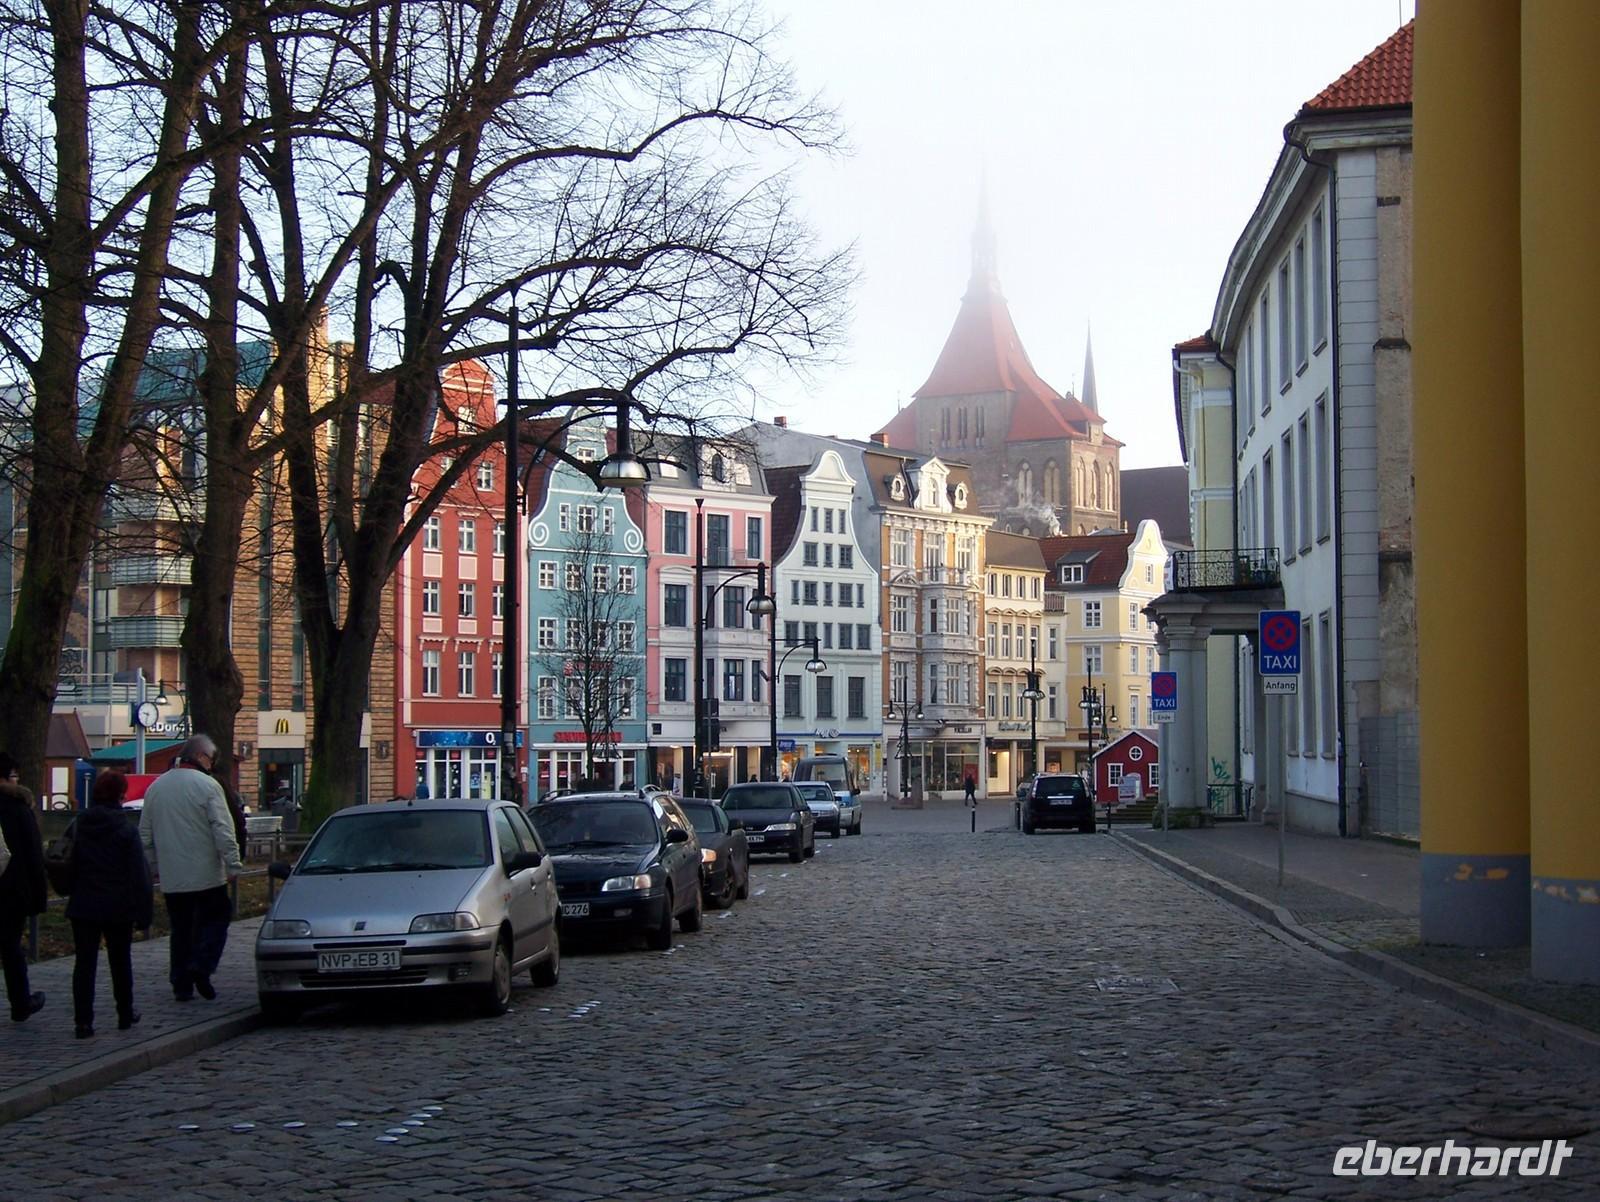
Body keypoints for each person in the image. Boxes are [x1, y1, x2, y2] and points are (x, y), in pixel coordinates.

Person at [140, 735, 242, 1002]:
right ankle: (202, 965)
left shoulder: (156, 788)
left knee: (181, 930)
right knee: (217, 919)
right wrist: (232, 863)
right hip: (207, 874)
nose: (211, 764)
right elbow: (222, 828)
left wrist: (152, 868)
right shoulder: (208, 786)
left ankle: (181, 983)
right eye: (210, 758)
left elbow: (145, 835)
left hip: (173, 877)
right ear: (200, 757)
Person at [66, 771, 153, 1038]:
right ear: (120, 795)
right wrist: (144, 912)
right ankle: (125, 1013)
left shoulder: (79, 824)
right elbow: (140, 874)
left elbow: (66, 860)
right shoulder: (125, 829)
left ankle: (83, 1021)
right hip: (118, 904)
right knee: (120, 961)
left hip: (84, 902)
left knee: (84, 963)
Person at [0, 752, 48, 1022]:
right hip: (11, 890)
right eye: (14, 775)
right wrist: (38, 896)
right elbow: (33, 856)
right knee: (10, 947)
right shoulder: (18, 808)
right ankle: (20, 1002)